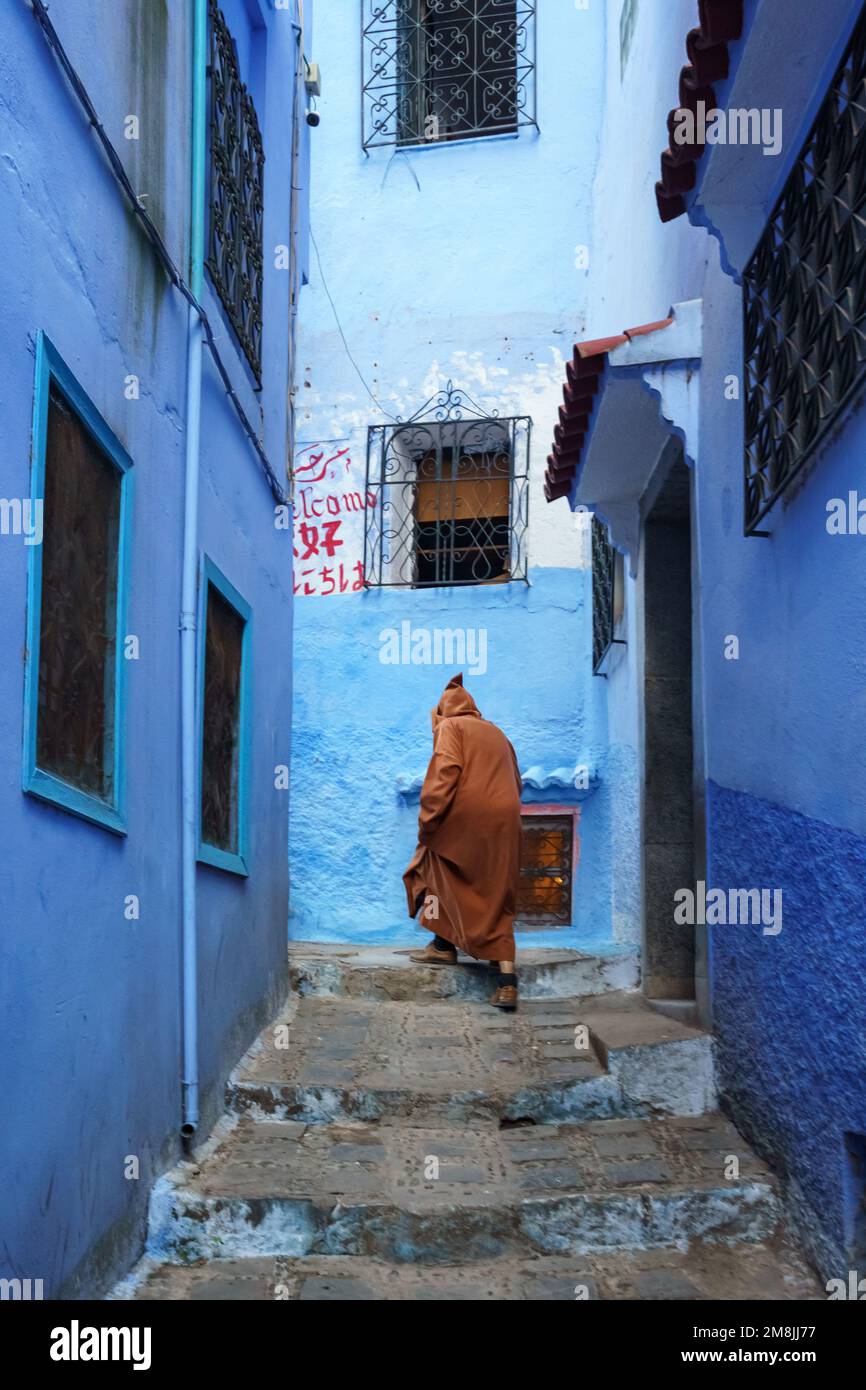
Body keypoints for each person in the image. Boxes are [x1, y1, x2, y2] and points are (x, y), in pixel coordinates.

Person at [403, 673, 522, 1010]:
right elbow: (515, 778)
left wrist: (428, 820)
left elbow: (446, 773)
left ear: (444, 711)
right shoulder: (498, 733)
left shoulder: (450, 729)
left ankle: (442, 946)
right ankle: (506, 979)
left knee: (429, 864)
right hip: (506, 817)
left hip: (467, 813)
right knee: (498, 888)